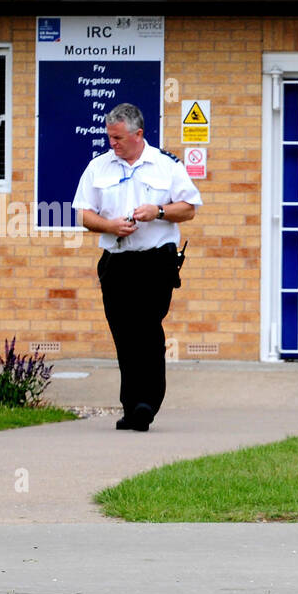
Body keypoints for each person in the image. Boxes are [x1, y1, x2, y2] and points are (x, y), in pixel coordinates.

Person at [73, 103, 202, 431]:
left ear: (138, 134)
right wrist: (110, 226)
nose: (112, 143)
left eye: (118, 137)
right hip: (116, 261)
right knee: (124, 333)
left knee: (146, 327)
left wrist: (158, 211)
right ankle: (131, 406)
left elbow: (188, 209)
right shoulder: (98, 167)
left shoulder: (165, 165)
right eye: (109, 137)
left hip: (155, 260)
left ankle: (147, 402)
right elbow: (84, 213)